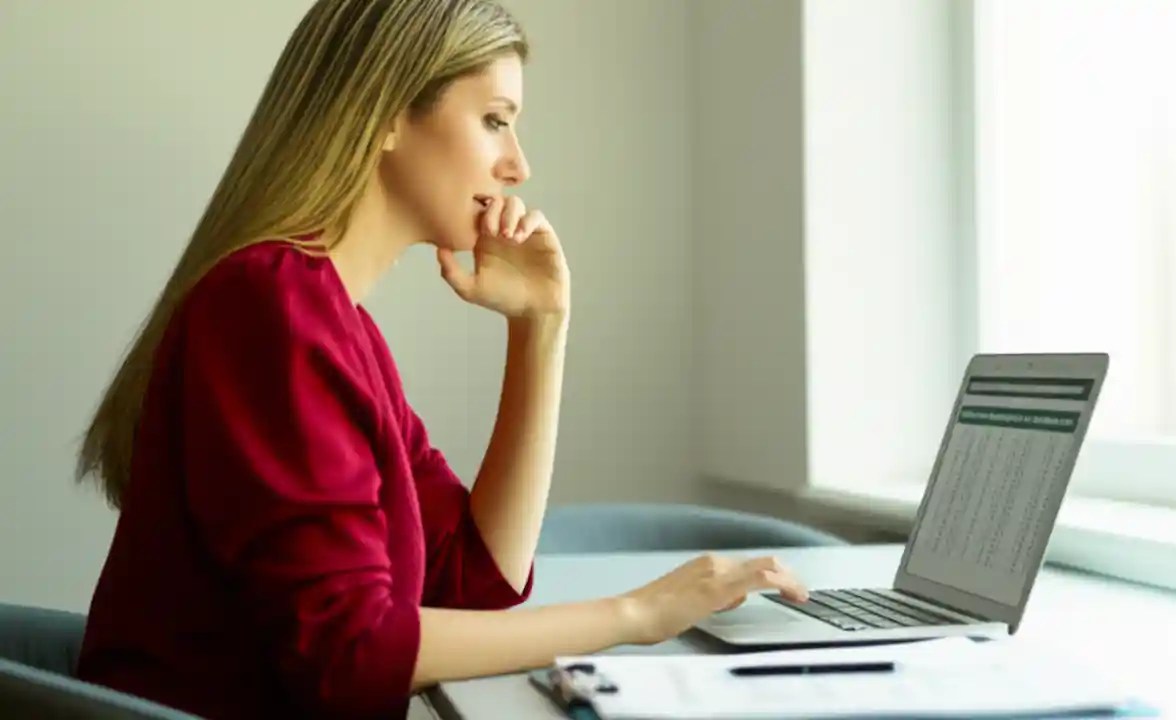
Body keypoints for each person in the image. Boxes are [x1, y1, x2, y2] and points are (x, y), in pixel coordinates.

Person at [73, 1, 809, 718]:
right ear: (389, 110)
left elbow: (475, 579)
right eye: (495, 121)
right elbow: (352, 657)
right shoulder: (273, 307)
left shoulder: (332, 320)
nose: (518, 165)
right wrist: (635, 613)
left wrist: (541, 328)